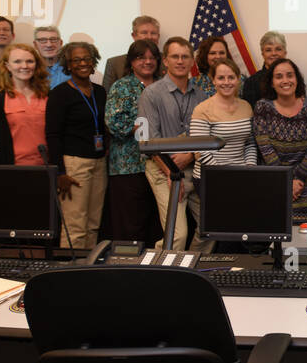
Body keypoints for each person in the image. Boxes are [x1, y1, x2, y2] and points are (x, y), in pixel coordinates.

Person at [138, 37, 209, 249]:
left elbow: (204, 135)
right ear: (166, 61)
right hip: (162, 170)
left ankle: (191, 267)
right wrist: (171, 172)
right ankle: (162, 272)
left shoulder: (201, 95)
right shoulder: (150, 94)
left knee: (213, 227)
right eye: (175, 56)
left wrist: (189, 155)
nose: (180, 61)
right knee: (176, 236)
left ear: (192, 61)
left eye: (185, 56)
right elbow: (146, 140)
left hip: (193, 168)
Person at [45, 42, 107, 250]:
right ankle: (68, 271)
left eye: (87, 59)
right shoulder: (59, 94)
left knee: (93, 224)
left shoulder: (99, 91)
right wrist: (60, 172)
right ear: (68, 65)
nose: (82, 63)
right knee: (75, 225)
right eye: (76, 60)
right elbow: (52, 135)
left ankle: (87, 269)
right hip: (74, 165)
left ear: (93, 62)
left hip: (99, 162)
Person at [104, 39, 162, 246]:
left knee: (156, 225)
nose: (147, 62)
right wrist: (145, 125)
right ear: (131, 61)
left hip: (160, 166)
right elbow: (114, 123)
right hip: (129, 167)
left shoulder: (163, 85)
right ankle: (128, 269)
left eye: (151, 57)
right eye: (141, 57)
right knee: (131, 224)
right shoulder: (122, 86)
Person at [253, 58, 307, 224]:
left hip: (306, 180)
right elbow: (265, 149)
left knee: (301, 231)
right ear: (272, 82)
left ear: (297, 79)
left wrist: (297, 179)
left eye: (289, 75)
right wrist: (286, 180)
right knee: (275, 228)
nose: (285, 80)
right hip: (273, 178)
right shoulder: (262, 107)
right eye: (279, 76)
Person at [0, 42, 49, 166]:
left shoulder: (48, 95)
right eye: (17, 62)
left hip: (48, 166)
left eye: (30, 61)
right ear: (7, 66)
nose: (25, 66)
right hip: (11, 168)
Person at [189, 58, 257, 180]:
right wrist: (224, 175)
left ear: (237, 79)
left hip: (242, 174)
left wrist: (250, 168)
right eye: (221, 78)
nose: (226, 82)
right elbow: (201, 152)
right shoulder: (202, 109)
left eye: (231, 77)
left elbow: (250, 144)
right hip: (210, 176)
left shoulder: (246, 107)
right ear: (213, 80)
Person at [101, 15, 160, 91]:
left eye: (153, 33)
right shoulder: (114, 63)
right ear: (134, 36)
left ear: (158, 36)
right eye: (144, 33)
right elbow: (107, 95)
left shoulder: (168, 62)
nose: (149, 37)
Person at [241, 31, 287, 106]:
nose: (274, 53)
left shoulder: (294, 79)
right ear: (263, 54)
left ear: (285, 53)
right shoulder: (251, 83)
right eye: (268, 50)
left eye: (278, 49)